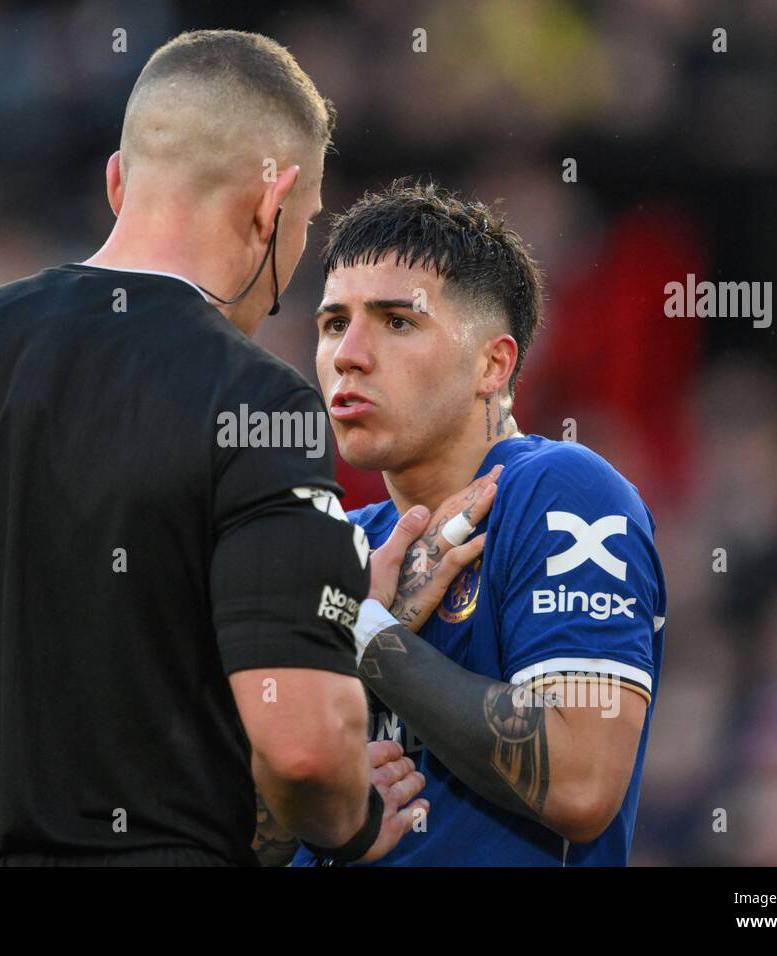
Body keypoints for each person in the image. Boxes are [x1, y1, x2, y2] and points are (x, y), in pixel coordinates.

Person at [0, 31, 428, 867]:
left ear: (116, 183)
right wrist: (351, 823)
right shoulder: (256, 402)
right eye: (306, 226)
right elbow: (305, 751)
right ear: (271, 203)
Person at [289, 179, 667, 865]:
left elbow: (581, 779)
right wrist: (327, 803)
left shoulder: (562, 491)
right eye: (334, 322)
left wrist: (366, 632)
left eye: (397, 322)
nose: (347, 354)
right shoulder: (333, 542)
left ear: (493, 363)